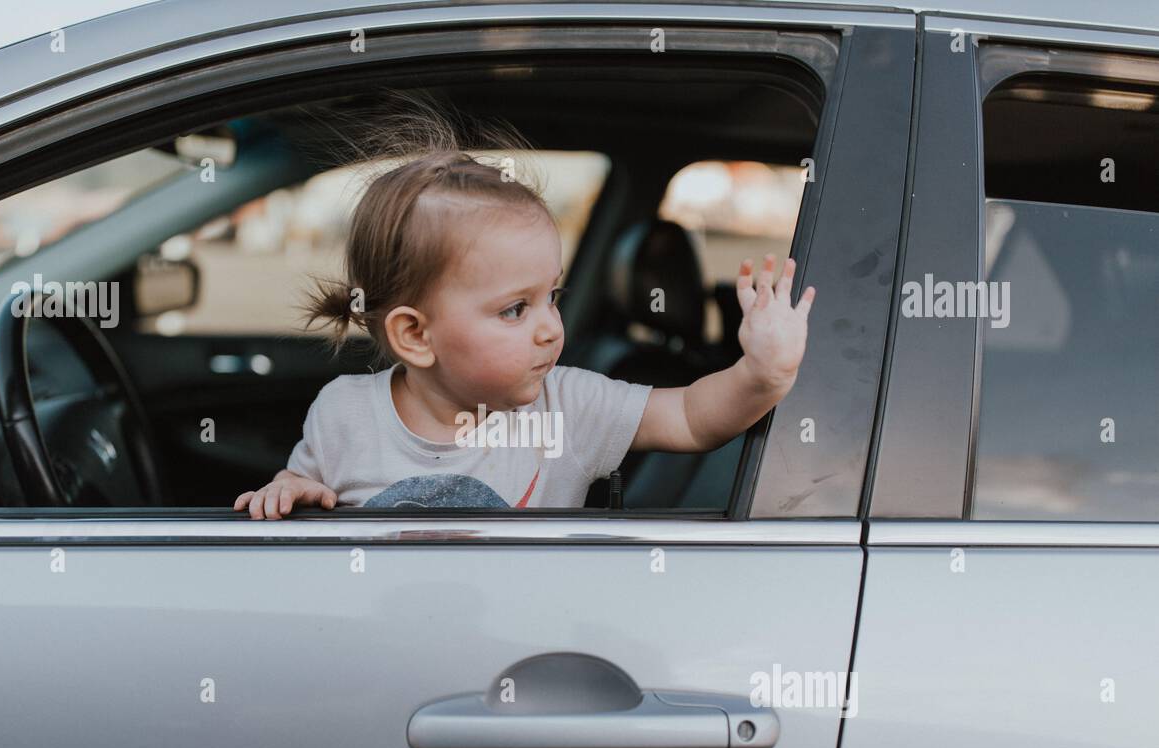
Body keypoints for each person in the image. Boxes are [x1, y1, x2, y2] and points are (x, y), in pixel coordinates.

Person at [235, 109, 813, 518]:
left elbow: (688, 416)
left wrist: (760, 375)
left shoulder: (568, 406)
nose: (550, 328)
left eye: (552, 298)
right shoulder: (343, 414)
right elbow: (304, 487)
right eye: (516, 309)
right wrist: (290, 491)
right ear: (414, 334)